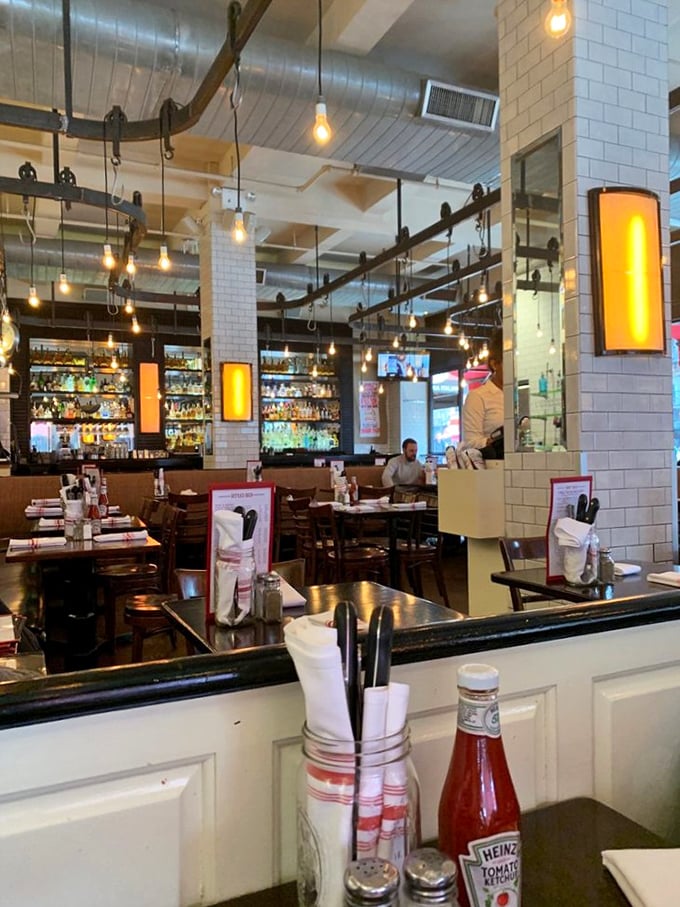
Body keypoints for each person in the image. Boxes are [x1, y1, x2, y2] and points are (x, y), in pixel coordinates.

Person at [462, 329, 504, 450]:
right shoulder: (478, 397)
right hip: (494, 465)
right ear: (494, 364)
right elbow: (470, 442)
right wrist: (496, 441)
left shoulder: (518, 395)